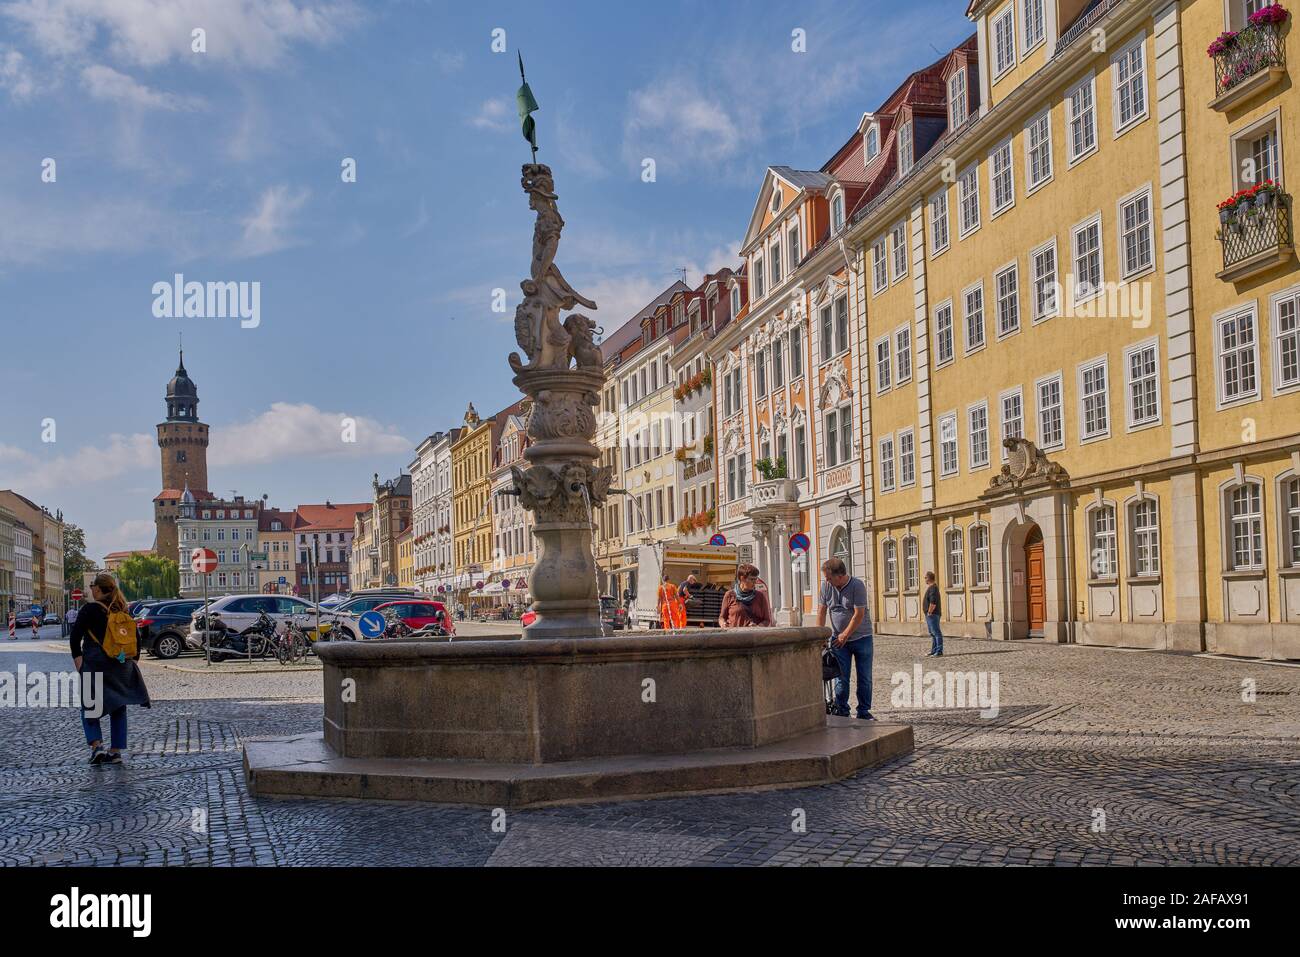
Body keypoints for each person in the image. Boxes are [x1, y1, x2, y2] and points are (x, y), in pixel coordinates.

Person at [70, 573, 152, 766]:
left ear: (98, 589)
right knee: (118, 706)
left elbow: (75, 638)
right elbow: (136, 638)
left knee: (90, 706)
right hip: (121, 664)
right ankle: (115, 752)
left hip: (95, 662)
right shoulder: (121, 608)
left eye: (92, 586)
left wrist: (79, 663)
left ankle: (97, 747)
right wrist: (133, 661)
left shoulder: (89, 610)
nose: (90, 589)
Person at [818, 557, 874, 720]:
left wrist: (845, 634)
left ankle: (864, 712)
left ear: (840, 575)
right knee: (840, 678)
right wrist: (820, 636)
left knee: (864, 677)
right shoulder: (827, 586)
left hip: (862, 638)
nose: (826, 581)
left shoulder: (857, 586)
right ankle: (842, 710)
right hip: (838, 641)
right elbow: (821, 611)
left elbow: (859, 614)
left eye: (829, 578)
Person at [719, 564, 773, 628]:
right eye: (752, 579)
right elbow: (721, 618)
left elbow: (767, 620)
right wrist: (723, 624)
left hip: (754, 636)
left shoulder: (760, 596)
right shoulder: (729, 595)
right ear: (742, 578)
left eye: (755, 579)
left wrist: (758, 627)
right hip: (735, 636)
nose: (755, 582)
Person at [923, 571, 944, 658]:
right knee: (933, 633)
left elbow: (933, 602)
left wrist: (930, 612)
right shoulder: (932, 588)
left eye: (925, 578)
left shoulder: (933, 588)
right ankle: (934, 650)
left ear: (929, 578)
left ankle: (939, 651)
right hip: (931, 614)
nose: (925, 579)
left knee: (936, 632)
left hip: (933, 614)